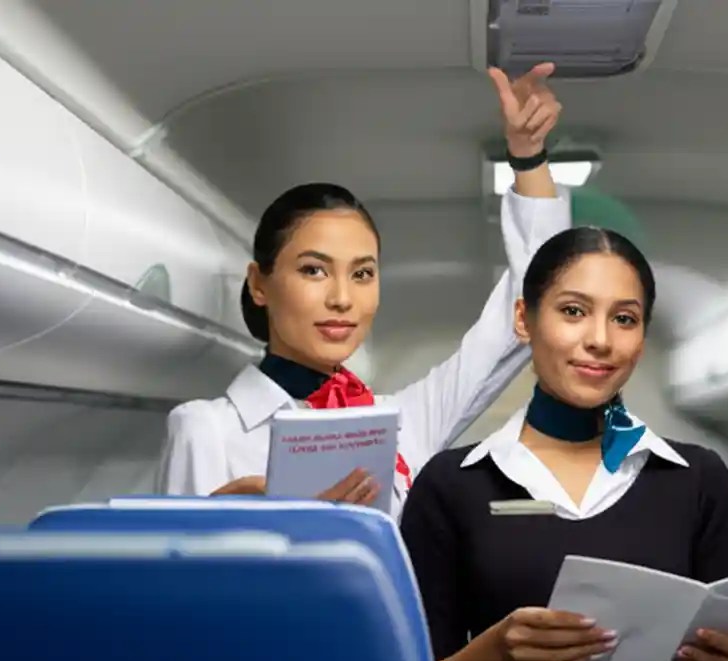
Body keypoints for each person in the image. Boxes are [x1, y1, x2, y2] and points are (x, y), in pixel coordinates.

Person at [157, 63, 570, 514]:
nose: (342, 298)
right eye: (314, 270)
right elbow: (177, 582)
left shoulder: (399, 423)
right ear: (260, 284)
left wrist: (528, 156)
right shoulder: (207, 429)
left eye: (362, 274)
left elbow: (534, 297)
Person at [399, 227, 728, 661]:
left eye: (624, 319)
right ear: (524, 319)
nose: (600, 340)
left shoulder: (698, 480)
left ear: (642, 337)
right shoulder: (452, 485)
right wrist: (498, 648)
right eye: (573, 311)